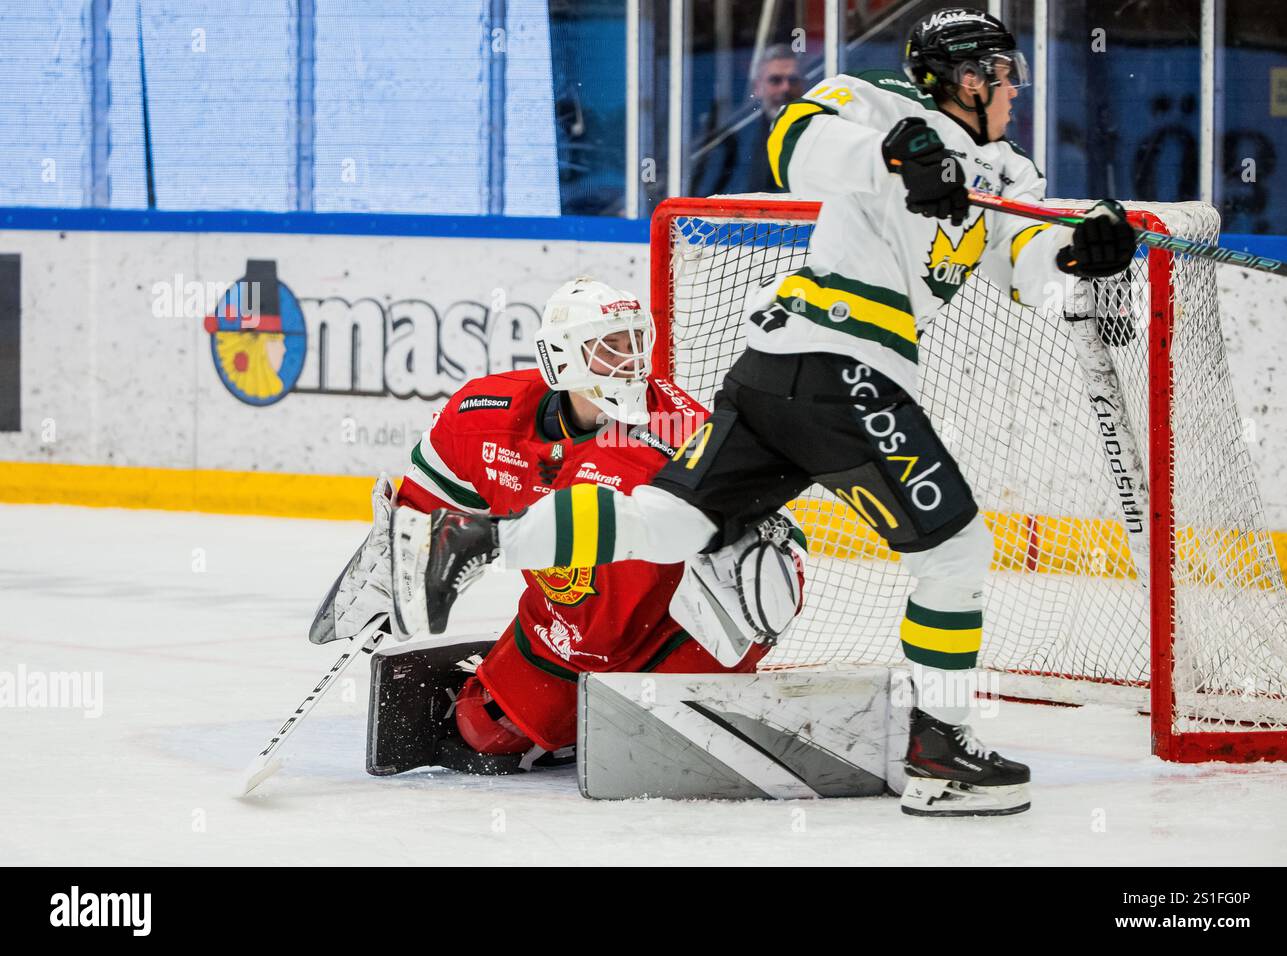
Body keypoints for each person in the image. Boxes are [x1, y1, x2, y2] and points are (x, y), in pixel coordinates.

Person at [397, 9, 1136, 813]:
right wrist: (895, 157)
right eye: (1004, 77)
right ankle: (942, 760)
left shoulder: (1011, 175)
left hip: (770, 375)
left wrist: (1081, 254)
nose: (1014, 93)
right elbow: (794, 143)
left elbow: (1030, 269)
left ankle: (476, 539)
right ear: (967, 78)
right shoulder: (884, 102)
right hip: (841, 365)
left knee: (669, 522)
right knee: (953, 553)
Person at [311, 277, 805, 774]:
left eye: (636, 341)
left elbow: (773, 532)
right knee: (479, 734)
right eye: (610, 345)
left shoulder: (678, 431)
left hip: (670, 637)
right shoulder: (485, 414)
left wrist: (757, 577)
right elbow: (422, 511)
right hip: (561, 632)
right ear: (561, 355)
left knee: (660, 761)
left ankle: (614, 714)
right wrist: (395, 576)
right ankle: (561, 709)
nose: (631, 359)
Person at [692, 44, 805, 196]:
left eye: (793, 80)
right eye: (775, 80)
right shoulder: (736, 136)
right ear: (758, 87)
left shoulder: (818, 130)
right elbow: (708, 194)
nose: (785, 88)